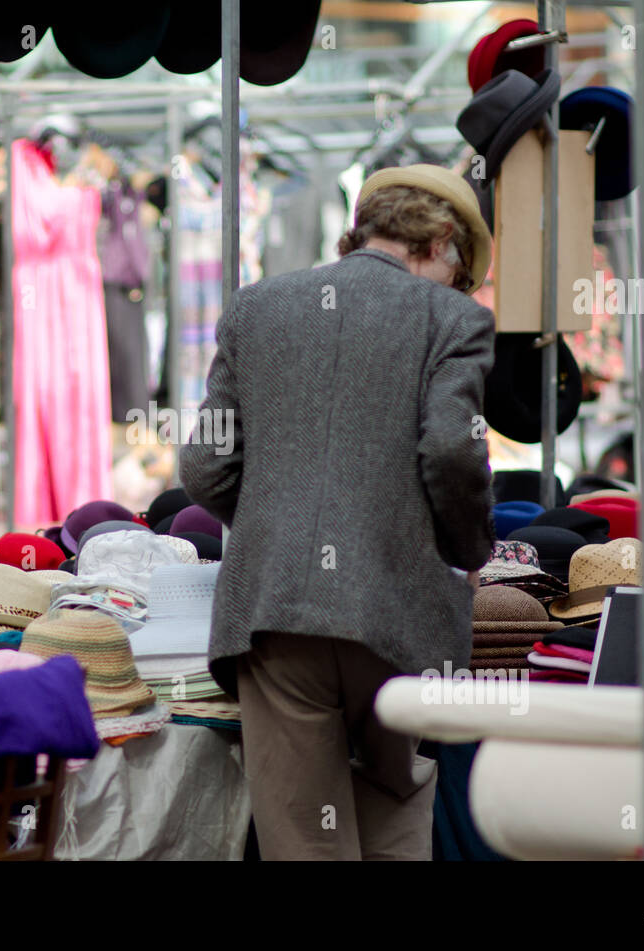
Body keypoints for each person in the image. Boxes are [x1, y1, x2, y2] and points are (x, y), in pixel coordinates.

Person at [180, 164, 496, 860]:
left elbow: (204, 466)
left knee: (305, 836)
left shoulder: (254, 306)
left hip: (276, 610)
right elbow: (450, 449)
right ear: (443, 240)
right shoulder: (455, 319)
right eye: (462, 271)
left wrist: (274, 520)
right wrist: (468, 549)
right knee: (395, 811)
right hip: (398, 613)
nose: (460, 287)